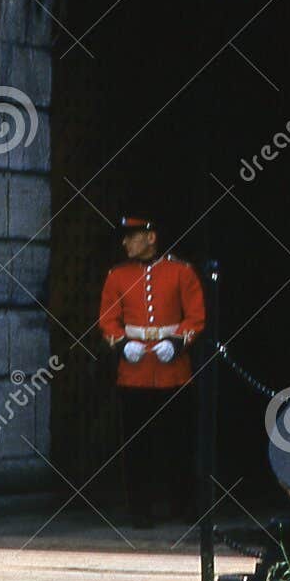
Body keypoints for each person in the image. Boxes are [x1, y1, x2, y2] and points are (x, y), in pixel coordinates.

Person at [99, 215, 207, 528]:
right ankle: (140, 509)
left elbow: (196, 317)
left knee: (179, 442)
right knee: (137, 445)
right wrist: (121, 344)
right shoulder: (117, 276)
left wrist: (177, 342)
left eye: (131, 236)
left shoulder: (181, 271)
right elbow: (108, 319)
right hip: (134, 373)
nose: (125, 242)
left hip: (174, 371)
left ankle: (183, 504)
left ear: (150, 237)